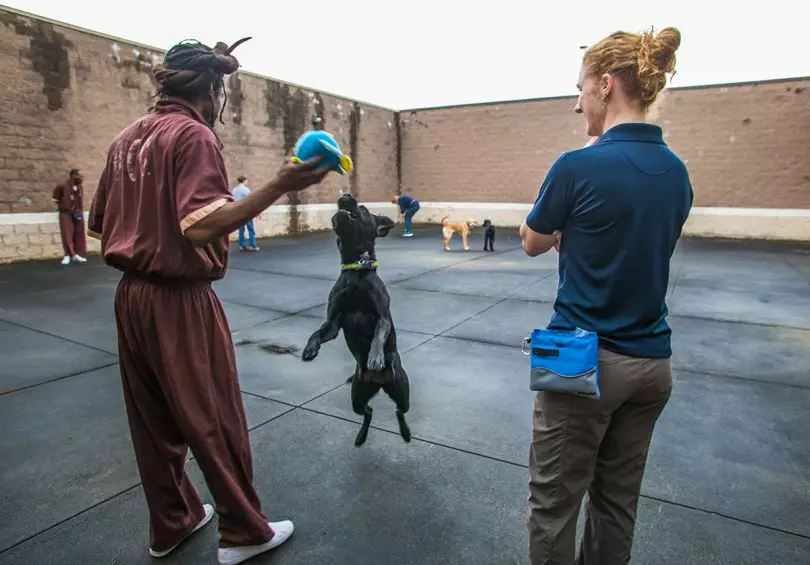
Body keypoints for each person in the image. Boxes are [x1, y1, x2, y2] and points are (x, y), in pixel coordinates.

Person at [87, 38, 331, 565]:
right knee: (213, 415)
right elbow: (200, 227)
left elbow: (97, 223)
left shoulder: (126, 138)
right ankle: (243, 531)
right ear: (211, 86)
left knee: (152, 420)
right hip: (179, 299)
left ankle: (172, 522)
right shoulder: (193, 136)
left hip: (129, 297)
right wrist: (279, 185)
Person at [519, 26, 692, 565]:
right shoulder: (677, 172)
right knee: (616, 505)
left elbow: (531, 241)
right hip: (653, 364)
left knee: (553, 504)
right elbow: (633, 243)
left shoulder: (577, 165)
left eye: (580, 88)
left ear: (607, 85)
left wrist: (568, 231)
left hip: (580, 357)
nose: (577, 104)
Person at [52, 168, 88, 265]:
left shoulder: (80, 187)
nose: (81, 178)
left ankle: (76, 254)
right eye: (80, 175)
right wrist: (64, 206)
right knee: (67, 234)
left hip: (77, 214)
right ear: (73, 176)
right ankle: (68, 255)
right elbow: (56, 199)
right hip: (66, 213)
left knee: (78, 234)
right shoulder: (62, 186)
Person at [232, 176, 258, 251]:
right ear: (244, 181)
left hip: (238, 212)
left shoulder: (234, 190)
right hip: (246, 212)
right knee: (251, 229)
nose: (247, 182)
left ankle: (241, 245)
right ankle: (252, 245)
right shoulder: (246, 190)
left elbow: (233, 200)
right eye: (246, 181)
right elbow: (250, 201)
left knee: (241, 230)